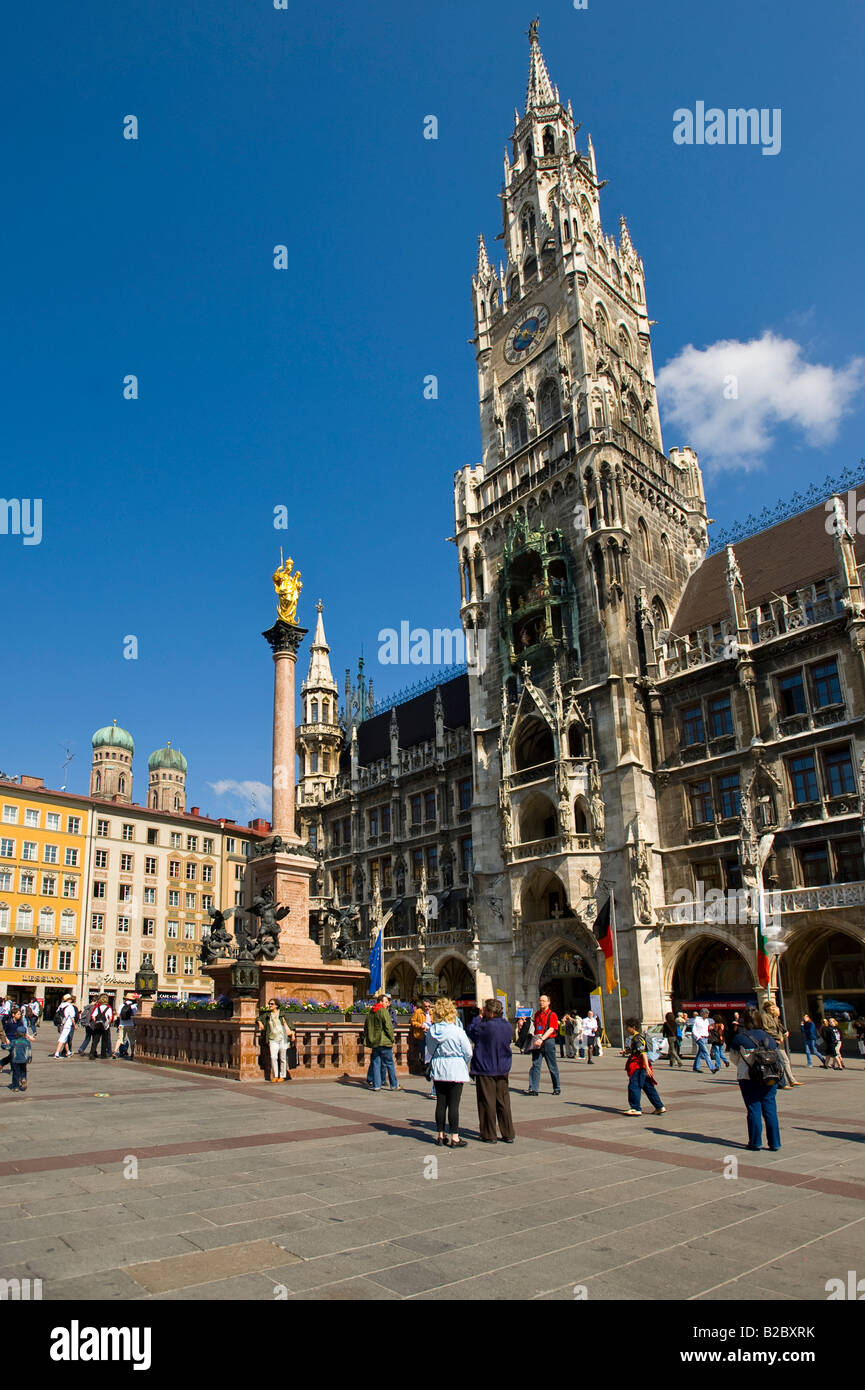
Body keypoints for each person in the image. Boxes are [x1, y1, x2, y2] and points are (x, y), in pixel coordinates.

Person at [730, 1008, 782, 1151]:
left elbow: (734, 1058)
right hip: (770, 1076)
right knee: (770, 1108)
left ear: (745, 1022)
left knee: (754, 1108)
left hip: (748, 1076)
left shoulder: (740, 1038)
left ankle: (755, 1142)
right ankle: (775, 1142)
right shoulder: (768, 1037)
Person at [426, 996, 473, 1147]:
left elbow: (431, 1050)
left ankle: (440, 1135)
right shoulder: (457, 1030)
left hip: (439, 1068)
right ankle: (455, 1137)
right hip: (455, 1069)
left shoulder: (431, 1030)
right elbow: (468, 1052)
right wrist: (460, 1061)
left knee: (440, 1103)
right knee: (454, 1104)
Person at [468, 999, 515, 1143]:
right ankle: (508, 1133)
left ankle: (489, 1134)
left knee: (487, 1101)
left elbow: (470, 1031)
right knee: (503, 1101)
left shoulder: (484, 1027)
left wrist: (478, 1017)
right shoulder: (507, 1026)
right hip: (502, 1067)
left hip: (485, 1068)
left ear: (490, 1012)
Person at [622, 1017, 666, 1116]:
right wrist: (627, 1051)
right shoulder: (635, 1037)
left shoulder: (637, 1037)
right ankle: (659, 1106)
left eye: (627, 1027)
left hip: (639, 1066)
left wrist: (646, 1067)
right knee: (648, 1087)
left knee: (634, 1085)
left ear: (633, 1027)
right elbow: (637, 1050)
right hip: (640, 1065)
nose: (626, 1029)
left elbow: (643, 1053)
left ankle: (635, 1108)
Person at [363, 992, 400, 1091]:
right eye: (386, 1002)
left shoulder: (371, 1012)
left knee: (375, 1063)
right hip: (384, 1041)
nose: (387, 1004)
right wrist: (392, 1038)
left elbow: (366, 1026)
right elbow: (388, 1026)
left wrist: (370, 1038)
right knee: (389, 1063)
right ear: (380, 1002)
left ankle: (376, 1085)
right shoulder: (383, 1011)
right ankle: (394, 1085)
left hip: (375, 1042)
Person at [760, 1001, 801, 1085]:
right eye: (771, 1007)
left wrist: (785, 1032)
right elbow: (765, 1029)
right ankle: (784, 1082)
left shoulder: (774, 1017)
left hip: (779, 1042)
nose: (773, 1008)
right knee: (781, 1061)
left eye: (774, 1007)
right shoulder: (764, 1016)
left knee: (784, 1060)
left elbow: (780, 1027)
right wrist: (778, 1036)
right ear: (767, 1008)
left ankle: (790, 1080)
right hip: (772, 1042)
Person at [527, 994, 561, 1096]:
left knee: (552, 1066)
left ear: (548, 1002)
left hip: (548, 1041)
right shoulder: (537, 1014)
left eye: (544, 1001)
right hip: (537, 1041)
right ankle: (534, 1088)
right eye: (540, 1000)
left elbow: (551, 1029)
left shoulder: (552, 1015)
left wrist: (542, 1039)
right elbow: (535, 1027)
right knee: (536, 1065)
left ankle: (557, 1087)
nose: (541, 1002)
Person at [258, 998, 295, 1082]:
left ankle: (282, 1075)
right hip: (272, 1038)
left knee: (283, 1058)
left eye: (271, 1004)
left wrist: (292, 1034)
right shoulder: (267, 1015)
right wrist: (260, 1023)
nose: (270, 1005)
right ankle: (275, 1075)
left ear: (276, 1005)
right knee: (273, 1057)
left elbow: (290, 1025)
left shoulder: (282, 1014)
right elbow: (258, 1018)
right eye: (269, 1004)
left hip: (283, 1038)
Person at [0, 1007, 32, 1092]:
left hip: (15, 1043)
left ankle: (15, 1086)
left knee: (13, 1058)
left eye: (20, 1014)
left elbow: (23, 1031)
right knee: (14, 1057)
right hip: (10, 1040)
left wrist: (3, 1046)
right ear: (13, 1015)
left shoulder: (20, 1022)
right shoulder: (8, 1022)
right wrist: (5, 1039)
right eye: (18, 1014)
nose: (20, 1015)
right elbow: (3, 1031)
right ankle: (23, 1078)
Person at [691, 1009, 719, 1074]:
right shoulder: (697, 1020)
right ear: (702, 1014)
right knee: (706, 1052)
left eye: (708, 1013)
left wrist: (708, 1034)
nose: (707, 1015)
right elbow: (694, 1029)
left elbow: (706, 1029)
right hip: (699, 1038)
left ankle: (696, 1067)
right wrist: (698, 1037)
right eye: (706, 1013)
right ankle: (712, 1068)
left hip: (705, 1038)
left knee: (700, 1053)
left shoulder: (706, 1021)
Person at [88, 994, 114, 1060]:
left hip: (97, 1025)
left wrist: (96, 1021)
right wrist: (108, 1023)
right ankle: (103, 1054)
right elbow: (110, 1018)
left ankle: (92, 1054)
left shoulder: (97, 1007)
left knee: (95, 1040)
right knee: (104, 1040)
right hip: (105, 1026)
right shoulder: (109, 1008)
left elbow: (93, 1016)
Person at [53, 993, 78, 1058]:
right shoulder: (70, 1006)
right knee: (62, 1038)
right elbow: (72, 1017)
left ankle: (68, 1052)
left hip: (60, 1024)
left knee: (64, 1038)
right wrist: (74, 1025)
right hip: (67, 1025)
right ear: (69, 999)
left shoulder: (61, 1005)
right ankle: (57, 1053)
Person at [408, 999, 428, 1075]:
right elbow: (413, 1021)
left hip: (430, 1035)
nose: (427, 1008)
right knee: (423, 1052)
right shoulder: (418, 1012)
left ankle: (428, 1068)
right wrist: (420, 1025)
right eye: (425, 1006)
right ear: (422, 1006)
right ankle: (424, 1069)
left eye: (429, 1006)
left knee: (429, 1053)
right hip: (421, 1035)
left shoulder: (431, 1013)